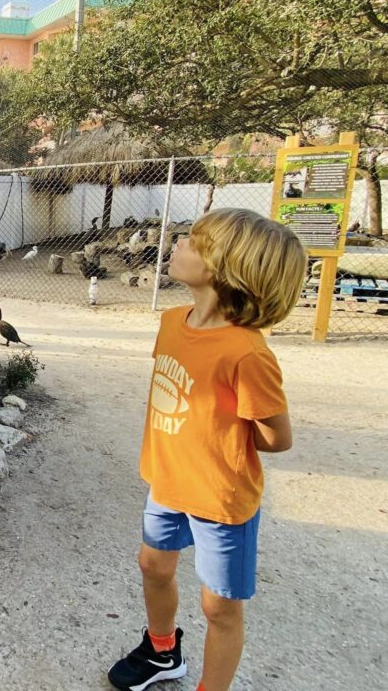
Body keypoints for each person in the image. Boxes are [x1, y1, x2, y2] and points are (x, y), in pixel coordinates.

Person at [107, 208, 307, 691]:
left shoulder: (248, 353)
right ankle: (161, 653)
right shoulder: (172, 321)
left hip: (220, 499)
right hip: (167, 483)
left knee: (220, 606)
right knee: (153, 566)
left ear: (228, 267)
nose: (178, 244)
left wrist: (224, 436)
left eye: (194, 242)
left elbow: (277, 438)